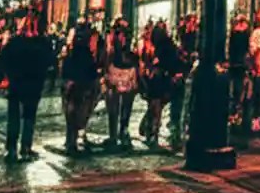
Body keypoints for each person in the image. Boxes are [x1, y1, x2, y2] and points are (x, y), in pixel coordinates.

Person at [0, 13, 54, 162]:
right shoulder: (42, 43)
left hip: (16, 82)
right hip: (34, 83)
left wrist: (3, 76)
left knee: (14, 116)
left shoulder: (15, 42)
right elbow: (49, 61)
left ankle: (11, 149)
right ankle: (25, 147)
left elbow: (2, 60)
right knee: (29, 116)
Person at [60, 20, 101, 155]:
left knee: (71, 112)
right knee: (78, 112)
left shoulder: (72, 51)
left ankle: (71, 141)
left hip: (75, 82)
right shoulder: (85, 52)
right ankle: (73, 140)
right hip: (81, 83)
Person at [102, 17, 139, 149]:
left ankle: (119, 133)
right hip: (122, 70)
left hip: (122, 70)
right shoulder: (116, 40)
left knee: (118, 106)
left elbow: (108, 55)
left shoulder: (115, 40)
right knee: (118, 106)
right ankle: (119, 133)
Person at [138, 21, 176, 148]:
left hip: (157, 79)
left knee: (155, 105)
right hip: (160, 79)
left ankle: (151, 130)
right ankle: (152, 131)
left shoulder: (160, 47)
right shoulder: (166, 46)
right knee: (156, 106)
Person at [167, 14, 197, 149]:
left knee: (186, 104)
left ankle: (181, 130)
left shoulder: (196, 38)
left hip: (188, 74)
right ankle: (176, 131)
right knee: (178, 104)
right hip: (180, 75)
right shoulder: (180, 42)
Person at [227, 13, 251, 127]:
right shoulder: (245, 34)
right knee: (241, 89)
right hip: (241, 64)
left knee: (237, 89)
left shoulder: (234, 33)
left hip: (236, 63)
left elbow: (231, 49)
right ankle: (238, 112)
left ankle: (235, 112)